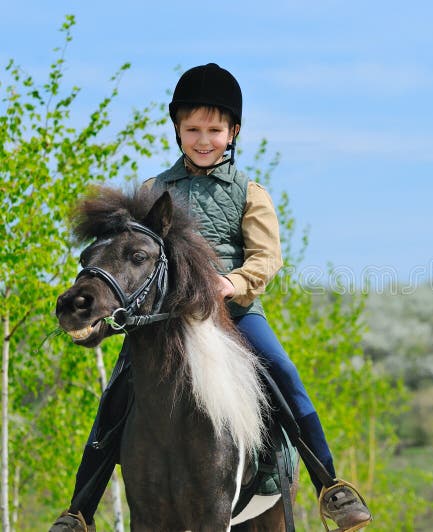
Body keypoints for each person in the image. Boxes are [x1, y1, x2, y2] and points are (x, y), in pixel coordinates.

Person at [51, 63, 372, 532]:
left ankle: (331, 485)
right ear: (178, 131)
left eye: (215, 131)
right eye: (193, 130)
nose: (204, 140)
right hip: (165, 320)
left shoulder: (249, 193)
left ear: (233, 132)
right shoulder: (153, 191)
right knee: (116, 395)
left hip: (233, 313)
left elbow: (267, 257)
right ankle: (80, 510)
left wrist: (232, 283)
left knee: (283, 371)